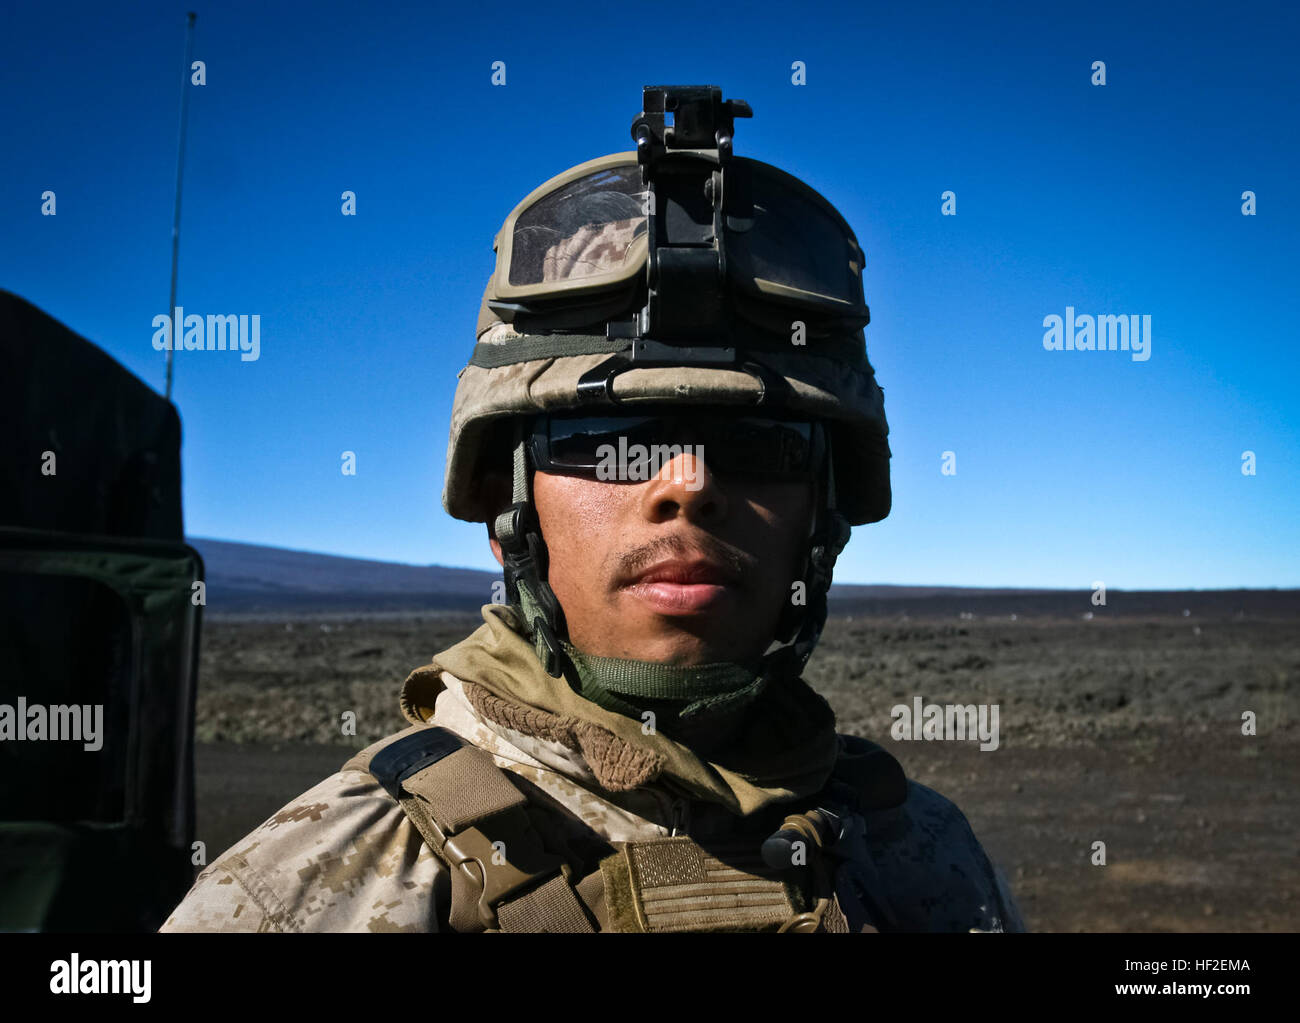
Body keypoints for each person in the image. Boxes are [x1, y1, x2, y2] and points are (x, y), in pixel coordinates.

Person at [160, 85, 1023, 933]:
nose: (685, 482)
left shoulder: (921, 855)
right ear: (514, 502)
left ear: (822, 516)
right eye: (611, 433)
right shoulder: (311, 892)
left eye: (761, 441)